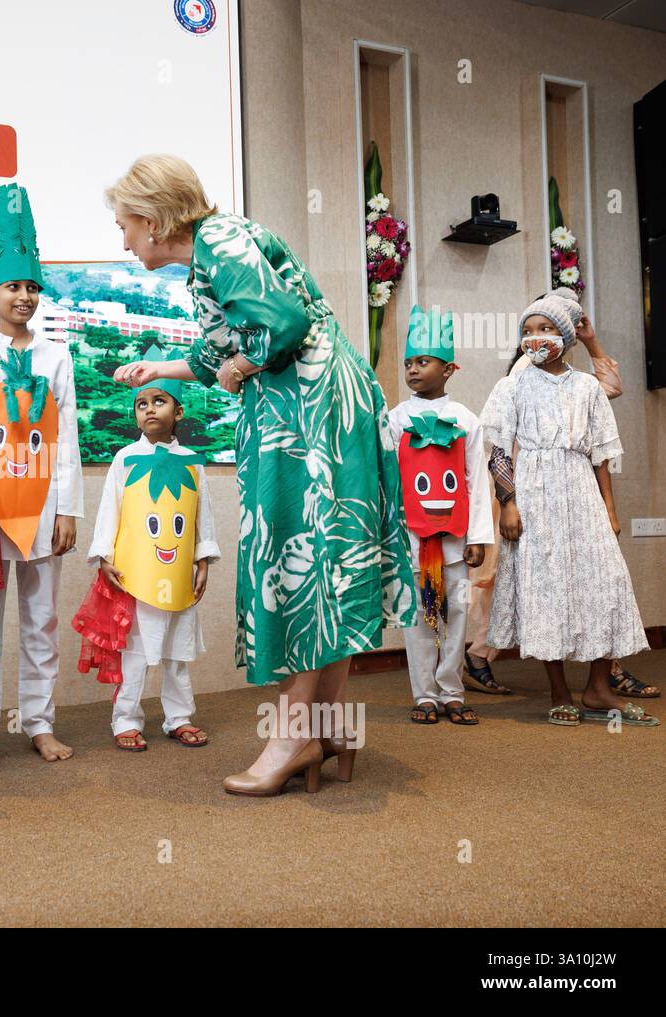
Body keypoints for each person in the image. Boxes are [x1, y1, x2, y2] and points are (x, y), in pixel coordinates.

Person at [109, 154, 415, 796]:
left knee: (298, 555)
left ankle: (293, 736)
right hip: (315, 400)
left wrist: (244, 368)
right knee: (326, 556)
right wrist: (162, 370)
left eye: (126, 225)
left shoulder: (219, 241)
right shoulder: (215, 252)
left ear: (156, 218)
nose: (125, 240)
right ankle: (327, 728)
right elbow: (218, 349)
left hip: (306, 407)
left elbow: (283, 326)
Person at [480, 287, 657, 728]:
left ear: (565, 336)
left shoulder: (587, 389)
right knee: (547, 589)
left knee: (607, 582)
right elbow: (499, 452)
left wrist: (610, 511)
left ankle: (598, 687)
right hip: (534, 494)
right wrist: (508, 504)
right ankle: (559, 691)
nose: (535, 338)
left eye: (544, 330)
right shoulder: (512, 385)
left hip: (582, 493)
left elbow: (601, 456)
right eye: (527, 330)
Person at [0, 183, 83, 765]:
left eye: (33, 287)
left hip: (42, 505)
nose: (25, 297)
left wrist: (67, 509)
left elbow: (66, 438)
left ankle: (38, 721)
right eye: (13, 286)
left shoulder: (57, 355)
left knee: (41, 621)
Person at [85, 347, 219, 750]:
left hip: (178, 571)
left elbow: (201, 515)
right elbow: (111, 508)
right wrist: (105, 555)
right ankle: (126, 718)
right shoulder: (125, 459)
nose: (149, 410)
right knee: (135, 651)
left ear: (178, 412)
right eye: (142, 403)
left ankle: (179, 717)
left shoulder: (193, 462)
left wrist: (203, 559)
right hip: (137, 573)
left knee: (177, 652)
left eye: (159, 401)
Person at [388, 307, 492, 726]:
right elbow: (390, 484)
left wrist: (477, 537)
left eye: (423, 362)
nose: (413, 370)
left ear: (448, 369)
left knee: (456, 614)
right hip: (413, 540)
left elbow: (477, 482)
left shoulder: (466, 419)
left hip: (454, 542)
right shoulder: (395, 419)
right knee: (417, 620)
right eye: (409, 363)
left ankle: (452, 690)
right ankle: (425, 694)